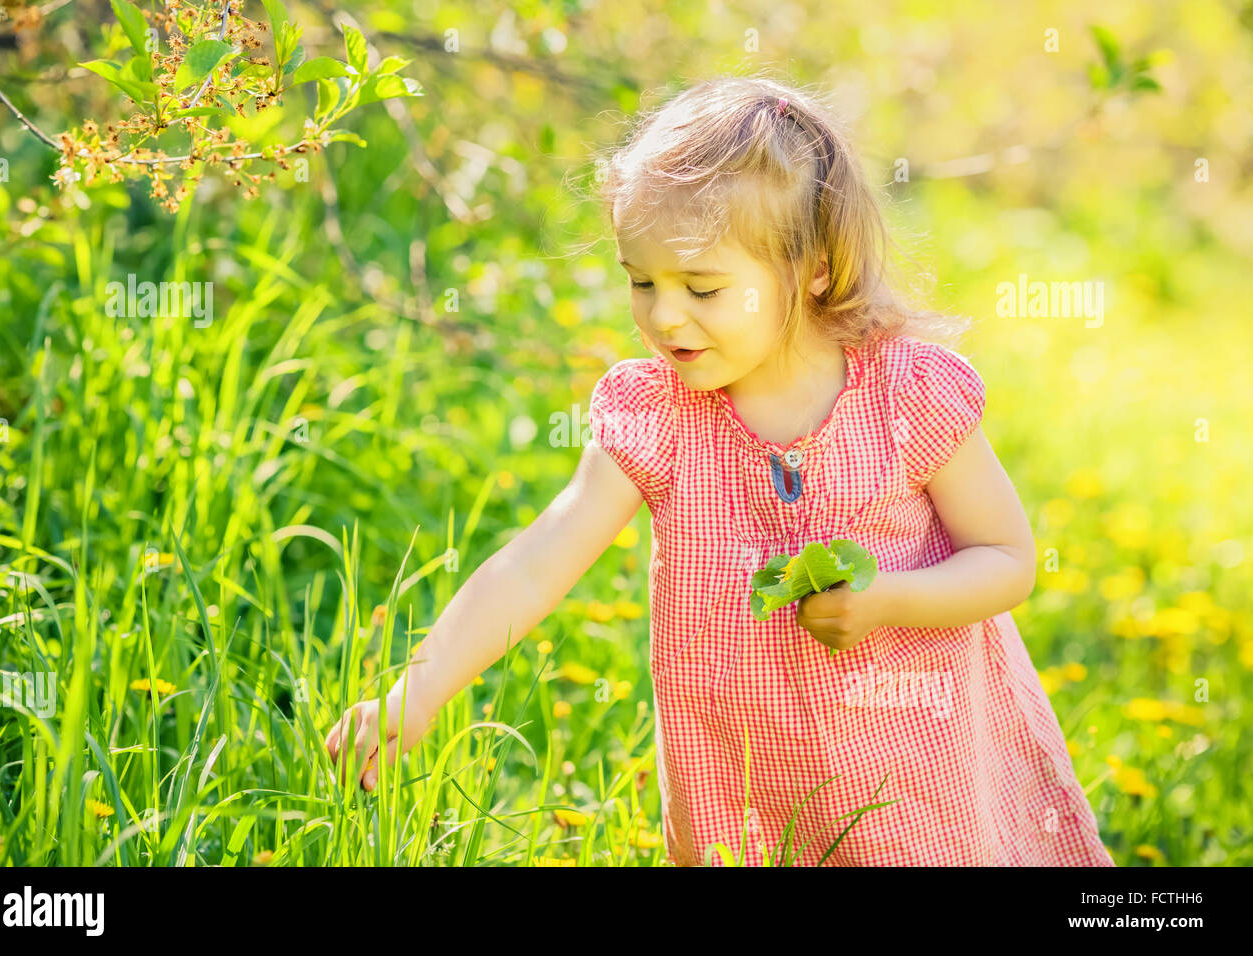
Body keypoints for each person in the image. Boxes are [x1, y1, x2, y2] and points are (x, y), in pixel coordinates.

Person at [326, 75, 1114, 867]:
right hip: (747, 792)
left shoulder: (906, 396)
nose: (665, 316)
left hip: (916, 776)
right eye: (643, 282)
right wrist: (416, 690)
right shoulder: (657, 416)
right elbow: (537, 562)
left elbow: (1007, 561)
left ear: (814, 267)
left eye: (702, 288)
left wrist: (889, 599)